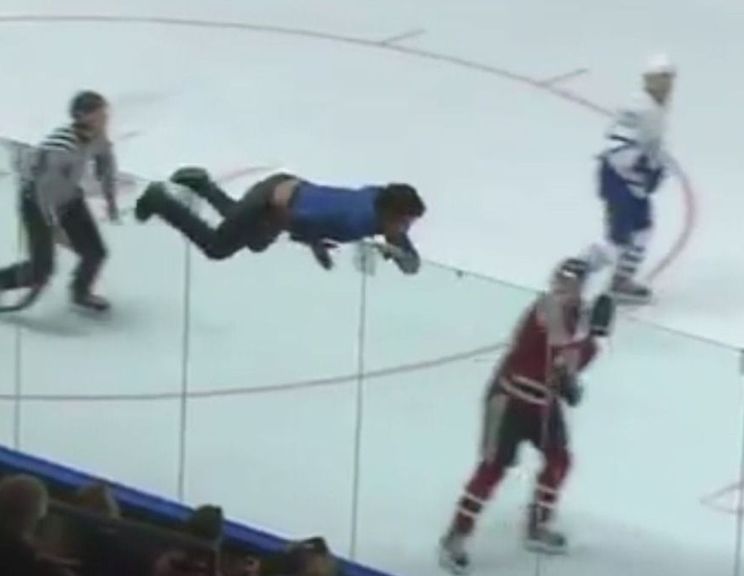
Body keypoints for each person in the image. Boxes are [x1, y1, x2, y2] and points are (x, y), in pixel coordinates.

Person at [438, 259, 615, 574]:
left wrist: (593, 342)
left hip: (542, 404)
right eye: (564, 280)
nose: (567, 287)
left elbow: (568, 366)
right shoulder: (548, 308)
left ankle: (538, 524)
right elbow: (563, 354)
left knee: (559, 459)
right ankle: (456, 536)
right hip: (509, 400)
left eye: (574, 283)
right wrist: (590, 342)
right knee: (492, 469)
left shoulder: (577, 316)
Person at [134, 167, 424, 273]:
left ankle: (201, 185)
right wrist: (315, 244)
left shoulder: (379, 204)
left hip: (290, 193)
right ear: (391, 215)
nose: (406, 229)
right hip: (276, 198)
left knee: (251, 236)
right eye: (405, 222)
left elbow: (411, 264)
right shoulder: (355, 221)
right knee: (218, 247)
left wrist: (397, 249)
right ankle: (160, 201)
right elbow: (302, 219)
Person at [0, 90, 119, 312]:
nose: (106, 118)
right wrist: (53, 230)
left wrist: (110, 198)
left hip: (68, 197)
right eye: (100, 114)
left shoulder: (96, 138)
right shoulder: (61, 147)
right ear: (83, 116)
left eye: (105, 113)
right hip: (36, 202)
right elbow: (43, 191)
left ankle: (80, 291)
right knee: (41, 269)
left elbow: (106, 161)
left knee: (95, 251)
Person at [582, 54, 676, 303]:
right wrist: (644, 167)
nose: (666, 84)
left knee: (643, 230)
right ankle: (576, 270)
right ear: (648, 80)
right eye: (660, 78)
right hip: (619, 180)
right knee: (617, 241)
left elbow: (650, 145)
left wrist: (655, 167)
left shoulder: (656, 107)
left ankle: (621, 280)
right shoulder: (638, 107)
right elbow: (617, 144)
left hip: (634, 184)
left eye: (669, 78)